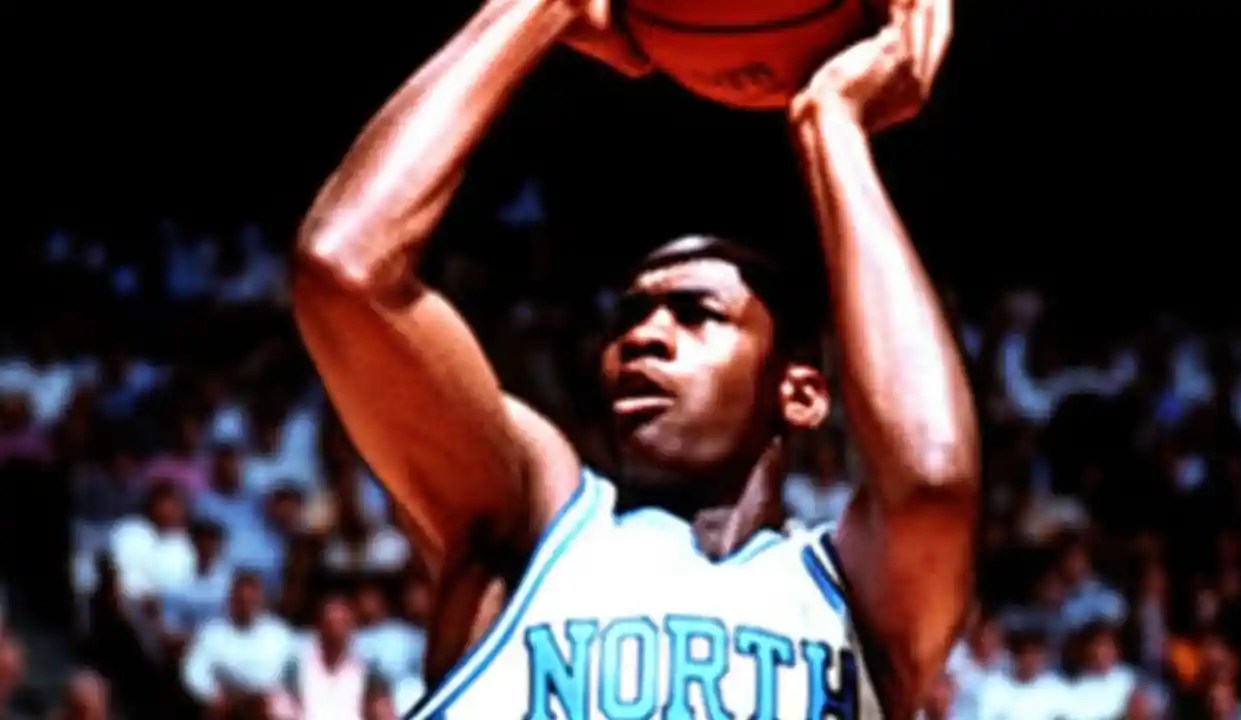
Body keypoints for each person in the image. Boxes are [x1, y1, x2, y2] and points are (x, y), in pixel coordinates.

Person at [291, 0, 976, 716]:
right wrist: (536, 8)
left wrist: (831, 129)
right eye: (629, 317)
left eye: (695, 314)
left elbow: (933, 472)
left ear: (799, 392)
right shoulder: (533, 523)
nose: (642, 337)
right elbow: (346, 269)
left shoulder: (857, 598)